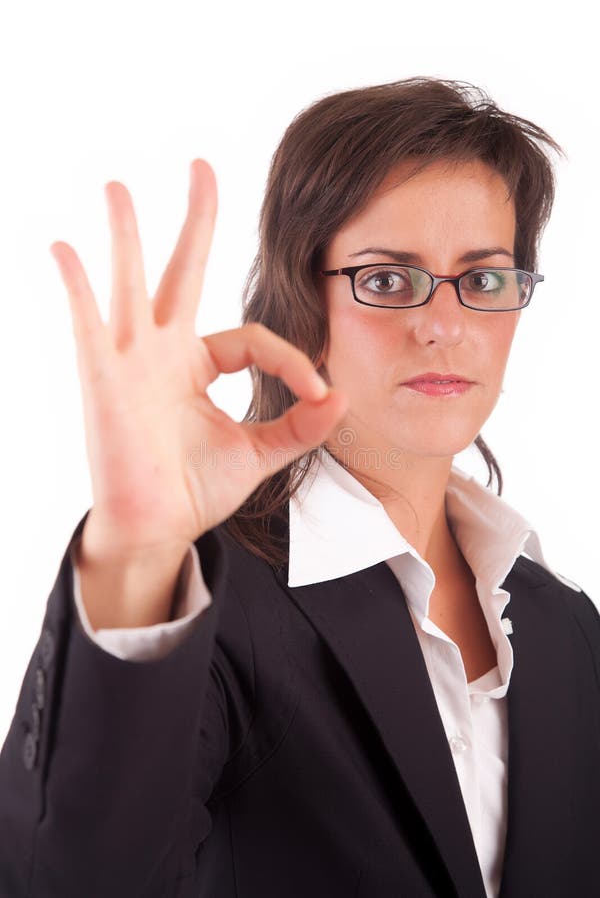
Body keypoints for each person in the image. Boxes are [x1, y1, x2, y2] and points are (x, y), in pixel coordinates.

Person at [0, 77, 598, 898]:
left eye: (484, 279)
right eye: (388, 279)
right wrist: (137, 552)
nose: (443, 323)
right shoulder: (205, 599)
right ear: (300, 296)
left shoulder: (565, 625)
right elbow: (69, 880)